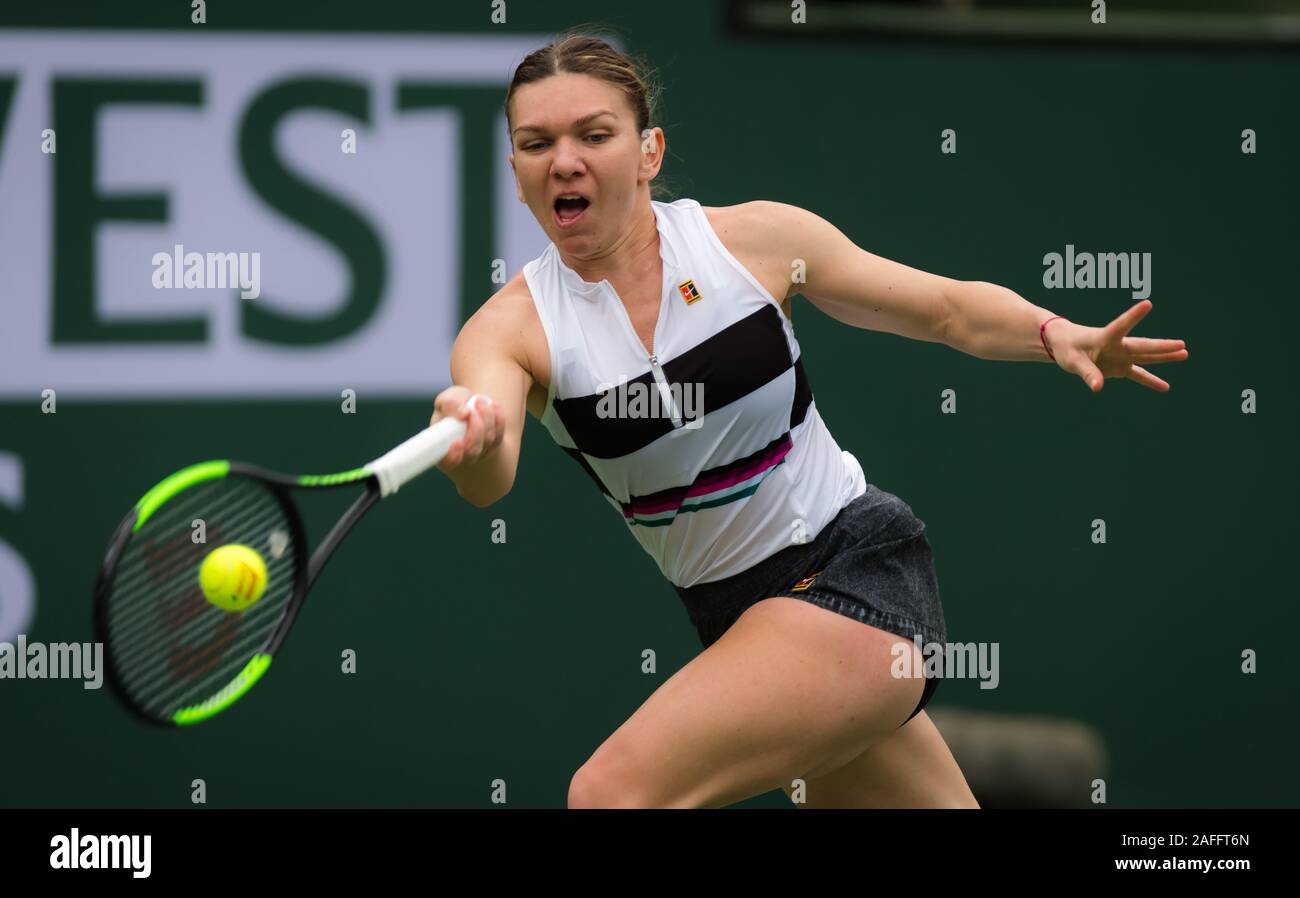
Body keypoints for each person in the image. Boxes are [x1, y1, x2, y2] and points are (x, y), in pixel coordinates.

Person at [429, 32, 1188, 809]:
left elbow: (949, 311)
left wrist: (1052, 333)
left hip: (853, 578)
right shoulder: (508, 331)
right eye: (536, 143)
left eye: (594, 135)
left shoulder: (754, 243)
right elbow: (490, 480)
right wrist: (475, 442)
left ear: (649, 151)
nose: (565, 160)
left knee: (611, 796)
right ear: (517, 175)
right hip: (741, 624)